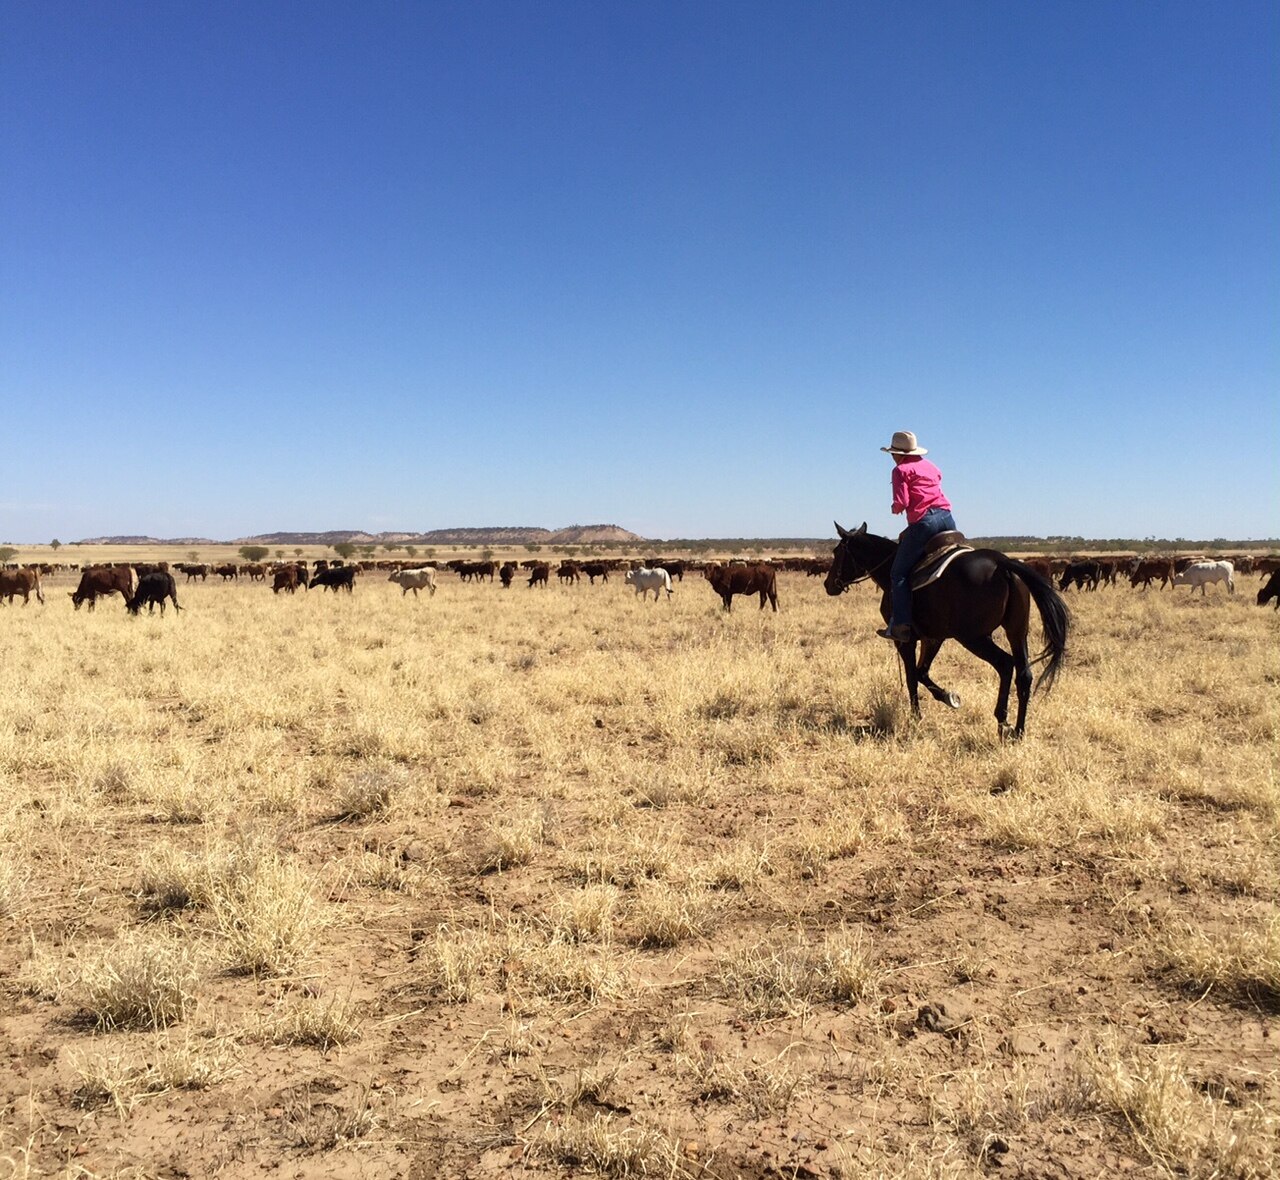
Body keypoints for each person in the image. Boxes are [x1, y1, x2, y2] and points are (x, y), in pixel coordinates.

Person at [878, 431, 956, 642]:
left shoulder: (900, 470)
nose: (892, 457)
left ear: (897, 454)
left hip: (925, 522)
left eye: (893, 453)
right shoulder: (932, 467)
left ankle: (901, 625)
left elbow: (902, 503)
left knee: (899, 574)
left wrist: (894, 508)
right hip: (947, 518)